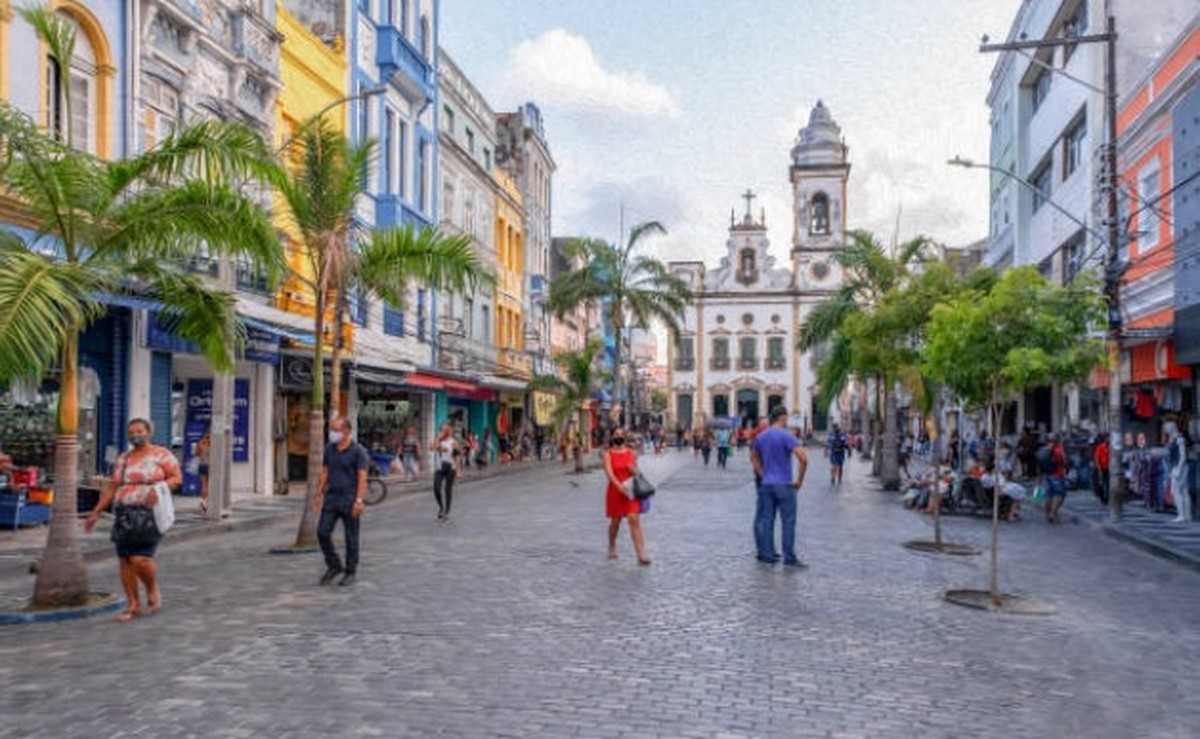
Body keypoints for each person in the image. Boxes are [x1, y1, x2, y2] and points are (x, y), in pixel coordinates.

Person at [85, 418, 181, 621]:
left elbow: (176, 478)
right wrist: (96, 511)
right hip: (125, 512)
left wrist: (159, 488)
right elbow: (113, 486)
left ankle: (152, 588)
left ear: (149, 433)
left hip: (149, 512)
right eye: (131, 432)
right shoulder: (125, 458)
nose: (135, 435)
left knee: (141, 559)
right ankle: (133, 604)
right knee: (126, 559)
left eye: (139, 431)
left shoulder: (162, 455)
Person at [312, 417, 370, 587]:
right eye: (332, 429)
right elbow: (325, 472)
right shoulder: (329, 449)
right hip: (332, 499)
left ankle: (350, 571)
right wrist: (318, 494)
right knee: (322, 532)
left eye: (336, 430)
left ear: (346, 431)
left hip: (350, 500)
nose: (332, 433)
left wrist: (359, 500)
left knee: (351, 537)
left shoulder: (358, 451)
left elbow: (362, 477)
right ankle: (334, 565)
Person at [749, 406, 809, 567]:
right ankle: (789, 557)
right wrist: (799, 481)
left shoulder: (761, 436)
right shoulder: (787, 436)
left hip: (766, 484)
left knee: (766, 520)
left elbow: (753, 457)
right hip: (785, 484)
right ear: (782, 417)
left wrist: (762, 473)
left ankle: (768, 555)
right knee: (788, 521)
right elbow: (803, 458)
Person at [603, 427, 650, 565]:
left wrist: (634, 470)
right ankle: (612, 545)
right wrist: (619, 486)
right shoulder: (608, 454)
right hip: (615, 491)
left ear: (625, 437)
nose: (619, 436)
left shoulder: (631, 453)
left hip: (630, 490)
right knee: (615, 522)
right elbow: (609, 474)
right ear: (612, 436)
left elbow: (637, 471)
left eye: (621, 434)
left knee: (634, 519)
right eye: (616, 434)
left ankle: (641, 554)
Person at [431, 423, 460, 519]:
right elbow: (432, 448)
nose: (441, 432)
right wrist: (438, 438)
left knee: (448, 490)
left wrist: (458, 471)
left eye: (443, 430)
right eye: (441, 430)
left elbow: (456, 456)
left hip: (450, 467)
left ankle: (446, 511)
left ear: (448, 432)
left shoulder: (453, 442)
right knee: (436, 488)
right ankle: (441, 507)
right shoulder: (438, 440)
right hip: (439, 467)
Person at [1165, 421, 1191, 522]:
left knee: (1177, 491)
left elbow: (1183, 455)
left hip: (1180, 467)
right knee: (1184, 490)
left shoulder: (1179, 439)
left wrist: (1178, 469)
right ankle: (1187, 514)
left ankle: (1181, 515)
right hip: (1180, 466)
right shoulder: (1176, 439)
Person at [1043, 434, 1068, 523]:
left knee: (1048, 495)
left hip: (1047, 475)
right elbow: (1064, 461)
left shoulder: (1044, 449)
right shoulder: (1058, 450)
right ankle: (1053, 513)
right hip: (1057, 474)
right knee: (1059, 495)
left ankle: (1047, 513)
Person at [195, 429, 212, 513]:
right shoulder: (214, 443)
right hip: (211, 466)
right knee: (210, 485)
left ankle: (203, 501)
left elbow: (196, 454)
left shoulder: (201, 443)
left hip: (202, 465)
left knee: (204, 485)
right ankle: (207, 502)